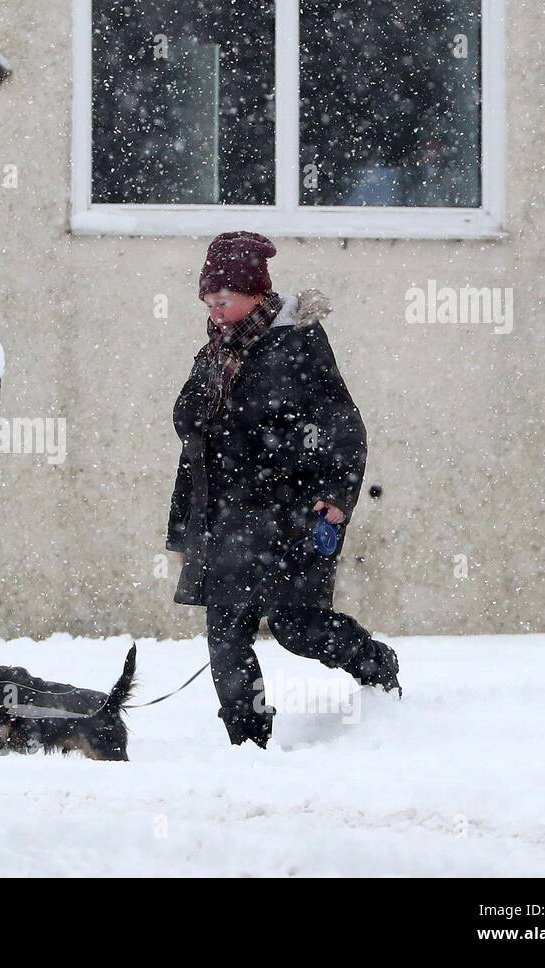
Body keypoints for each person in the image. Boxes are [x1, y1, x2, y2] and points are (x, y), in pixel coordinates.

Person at [165, 231, 401, 750]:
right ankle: (247, 745)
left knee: (297, 625)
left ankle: (376, 665)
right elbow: (194, 445)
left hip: (291, 513)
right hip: (224, 518)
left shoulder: (300, 344)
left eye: (223, 300)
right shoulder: (213, 356)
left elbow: (342, 424)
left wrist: (337, 496)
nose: (215, 311)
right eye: (208, 302)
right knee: (226, 634)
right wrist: (182, 532)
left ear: (254, 294)